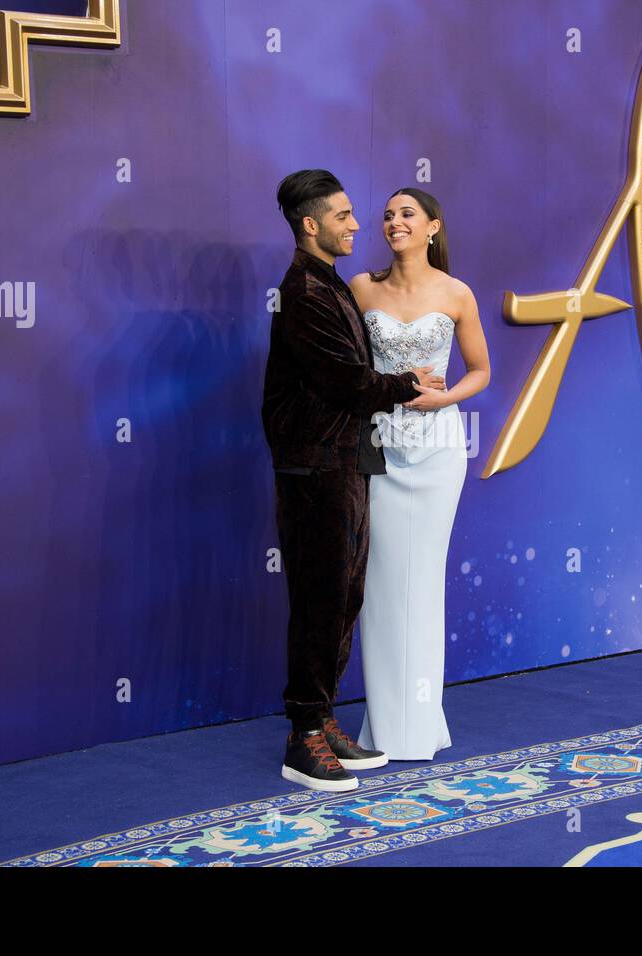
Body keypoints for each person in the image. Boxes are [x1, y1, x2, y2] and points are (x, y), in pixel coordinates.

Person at [261, 170, 446, 792]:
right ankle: (302, 737)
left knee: (342, 596)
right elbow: (347, 381)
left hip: (343, 461)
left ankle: (322, 716)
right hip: (313, 465)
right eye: (344, 216)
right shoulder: (304, 293)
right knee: (320, 598)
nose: (359, 225)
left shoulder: (330, 284)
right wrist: (410, 384)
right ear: (311, 224)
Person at [349, 187, 491, 760]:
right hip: (379, 445)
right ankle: (386, 729)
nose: (393, 222)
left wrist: (444, 398)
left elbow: (480, 370)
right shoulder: (361, 288)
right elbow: (346, 367)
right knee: (380, 586)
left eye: (406, 214)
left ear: (433, 226)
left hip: (437, 449)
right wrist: (382, 388)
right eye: (387, 216)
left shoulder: (456, 293)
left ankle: (422, 725)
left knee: (425, 582)